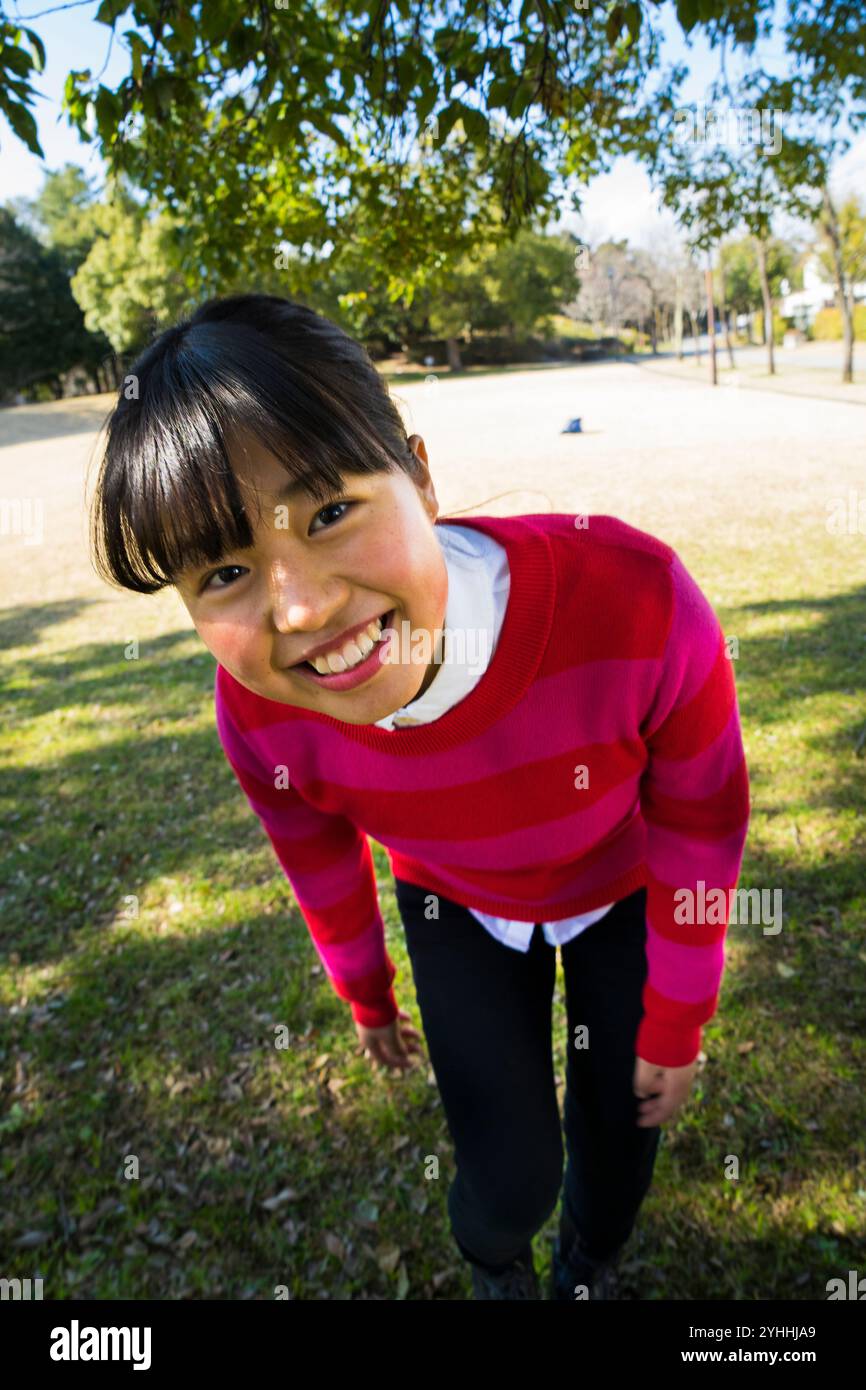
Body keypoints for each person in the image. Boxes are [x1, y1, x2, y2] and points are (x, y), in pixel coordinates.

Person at [88, 292, 751, 1300]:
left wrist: (678, 1013)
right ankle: (498, 1264)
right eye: (225, 568)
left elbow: (702, 817)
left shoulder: (637, 596)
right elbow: (314, 854)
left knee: (618, 1141)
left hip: (622, 893)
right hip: (452, 904)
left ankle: (589, 1264)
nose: (302, 607)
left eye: (328, 513)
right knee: (508, 1173)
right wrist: (363, 991)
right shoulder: (259, 713)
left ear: (420, 476)